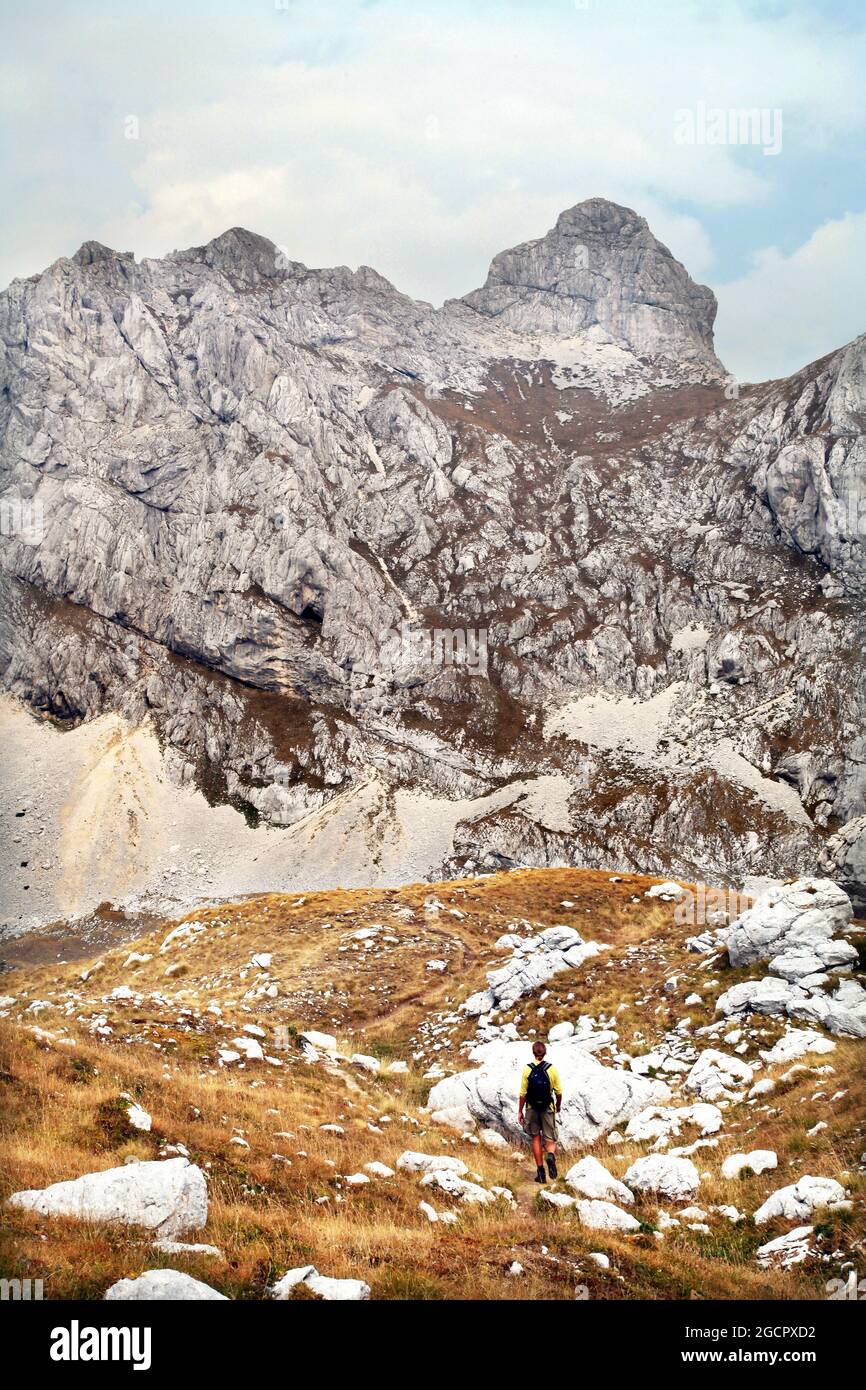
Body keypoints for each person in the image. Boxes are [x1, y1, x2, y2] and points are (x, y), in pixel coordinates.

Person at [518, 1040, 563, 1182]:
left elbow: (522, 1093)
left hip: (532, 1108)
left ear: (533, 1053)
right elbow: (559, 1092)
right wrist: (558, 1105)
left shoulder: (527, 1069)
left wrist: (520, 1111)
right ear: (545, 1053)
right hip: (547, 1108)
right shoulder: (552, 1069)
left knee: (535, 1138)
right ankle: (550, 1155)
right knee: (550, 1138)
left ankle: (541, 1174)